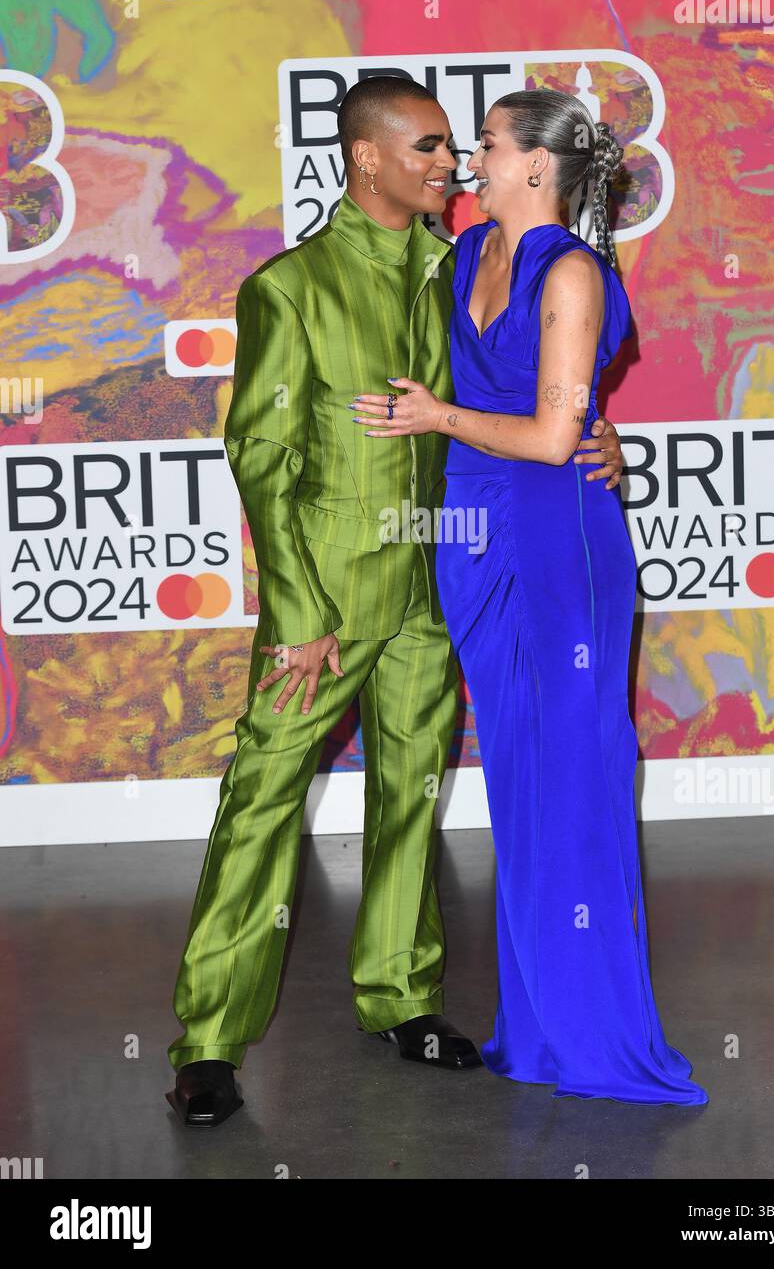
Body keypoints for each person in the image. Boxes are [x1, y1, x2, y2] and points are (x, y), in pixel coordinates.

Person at [165, 77, 627, 1126]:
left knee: (411, 797)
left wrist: (596, 439)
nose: (449, 166)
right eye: (425, 148)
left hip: (437, 587)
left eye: (459, 149)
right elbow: (260, 459)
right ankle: (206, 1041)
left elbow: (536, 389)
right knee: (261, 808)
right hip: (322, 603)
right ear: (364, 159)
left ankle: (401, 998)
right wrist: (295, 609)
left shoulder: (456, 262)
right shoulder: (290, 289)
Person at [352, 88, 709, 1105]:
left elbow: (556, 438)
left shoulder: (572, 273)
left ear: (535, 167)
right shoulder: (462, 253)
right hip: (471, 542)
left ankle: (596, 1037)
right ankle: (539, 1029)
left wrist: (435, 416)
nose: (470, 156)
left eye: (489, 143)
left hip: (559, 547)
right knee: (517, 783)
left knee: (574, 777)